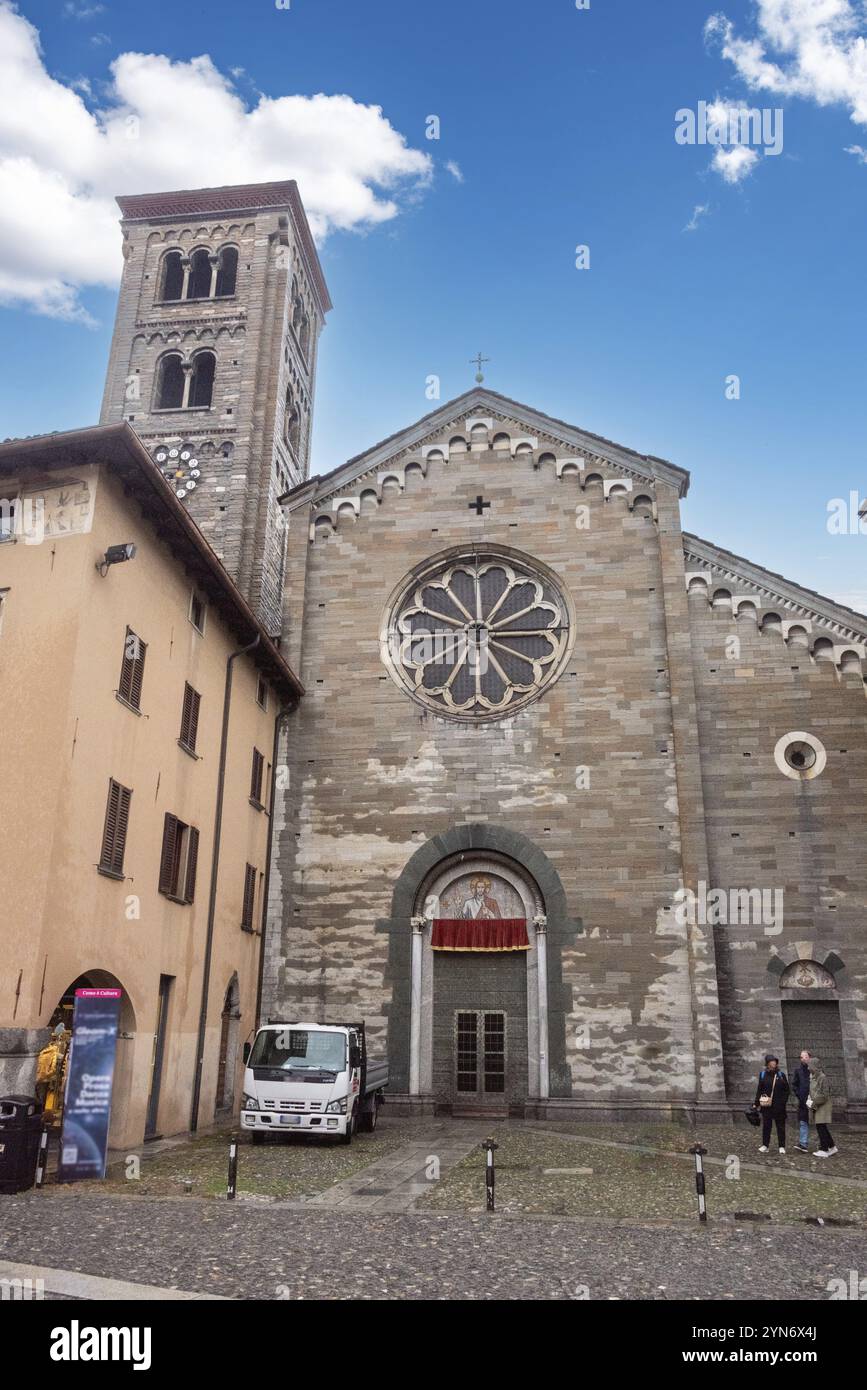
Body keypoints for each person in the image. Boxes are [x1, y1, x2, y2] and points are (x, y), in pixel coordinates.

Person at [753, 1054, 790, 1154]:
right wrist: (756, 1103)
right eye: (771, 1061)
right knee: (766, 1126)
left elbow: (787, 1090)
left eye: (774, 1061)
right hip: (766, 1106)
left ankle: (781, 1146)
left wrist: (783, 1102)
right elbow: (759, 1090)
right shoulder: (763, 1075)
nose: (773, 1063)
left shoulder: (781, 1075)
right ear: (768, 1064)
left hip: (779, 1106)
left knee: (780, 1126)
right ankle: (765, 1145)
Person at [806, 1057, 838, 1157]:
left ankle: (824, 1149)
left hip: (822, 1105)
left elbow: (824, 1094)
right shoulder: (814, 1076)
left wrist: (814, 1102)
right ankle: (832, 1147)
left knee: (821, 1127)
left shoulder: (822, 1077)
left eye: (809, 1065)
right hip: (818, 1104)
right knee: (822, 1127)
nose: (808, 1068)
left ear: (814, 1066)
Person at [791, 1049, 812, 1152]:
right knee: (803, 1121)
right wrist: (800, 1095)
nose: (803, 1058)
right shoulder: (798, 1071)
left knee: (819, 1123)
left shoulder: (815, 1069)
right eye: (801, 1057)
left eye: (805, 1056)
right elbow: (794, 1085)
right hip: (803, 1101)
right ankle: (803, 1143)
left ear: (809, 1058)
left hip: (814, 1101)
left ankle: (825, 1145)